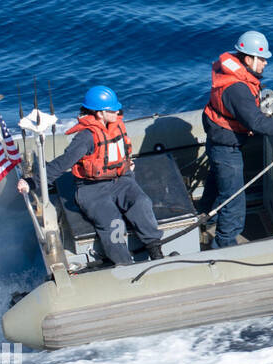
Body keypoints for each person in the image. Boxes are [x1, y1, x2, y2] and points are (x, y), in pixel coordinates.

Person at [17, 85, 164, 266]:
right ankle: (125, 265)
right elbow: (64, 162)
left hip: (122, 180)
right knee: (112, 221)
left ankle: (156, 252)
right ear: (100, 113)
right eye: (112, 109)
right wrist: (32, 182)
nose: (117, 111)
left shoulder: (116, 125)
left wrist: (127, 164)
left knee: (141, 202)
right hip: (91, 189)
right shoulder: (86, 137)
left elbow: (121, 151)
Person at [202, 30, 273, 248]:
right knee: (234, 200)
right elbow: (256, 122)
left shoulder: (234, 77)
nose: (265, 64)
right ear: (248, 59)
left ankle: (204, 219)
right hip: (227, 146)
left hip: (219, 138)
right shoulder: (237, 89)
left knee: (215, 184)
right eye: (262, 59)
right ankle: (223, 246)